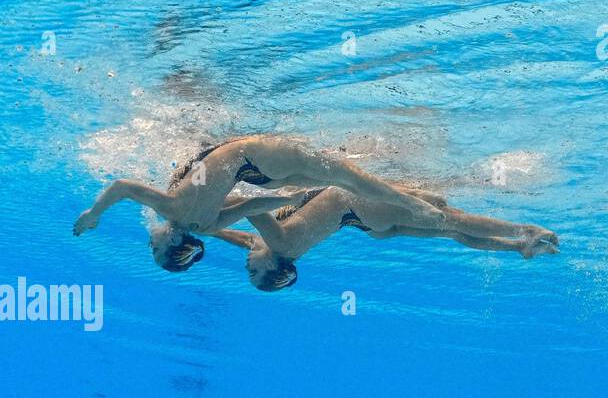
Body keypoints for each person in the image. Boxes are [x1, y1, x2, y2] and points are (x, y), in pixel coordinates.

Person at [72, 135, 449, 272]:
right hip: (253, 158)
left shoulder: (204, 226)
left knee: (342, 171)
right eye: (154, 248)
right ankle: (413, 204)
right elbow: (122, 185)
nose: (150, 241)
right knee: (349, 177)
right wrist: (94, 214)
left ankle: (415, 189)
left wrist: (283, 198)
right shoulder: (171, 211)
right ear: (171, 242)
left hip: (258, 174)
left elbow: (249, 209)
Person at [212, 184, 559, 291]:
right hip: (359, 208)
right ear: (272, 263)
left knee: (452, 232)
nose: (245, 266)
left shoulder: (272, 246)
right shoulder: (278, 242)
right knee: (450, 218)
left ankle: (516, 248)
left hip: (367, 226)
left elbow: (230, 234)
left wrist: (200, 226)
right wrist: (210, 200)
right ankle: (525, 231)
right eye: (252, 271)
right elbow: (251, 208)